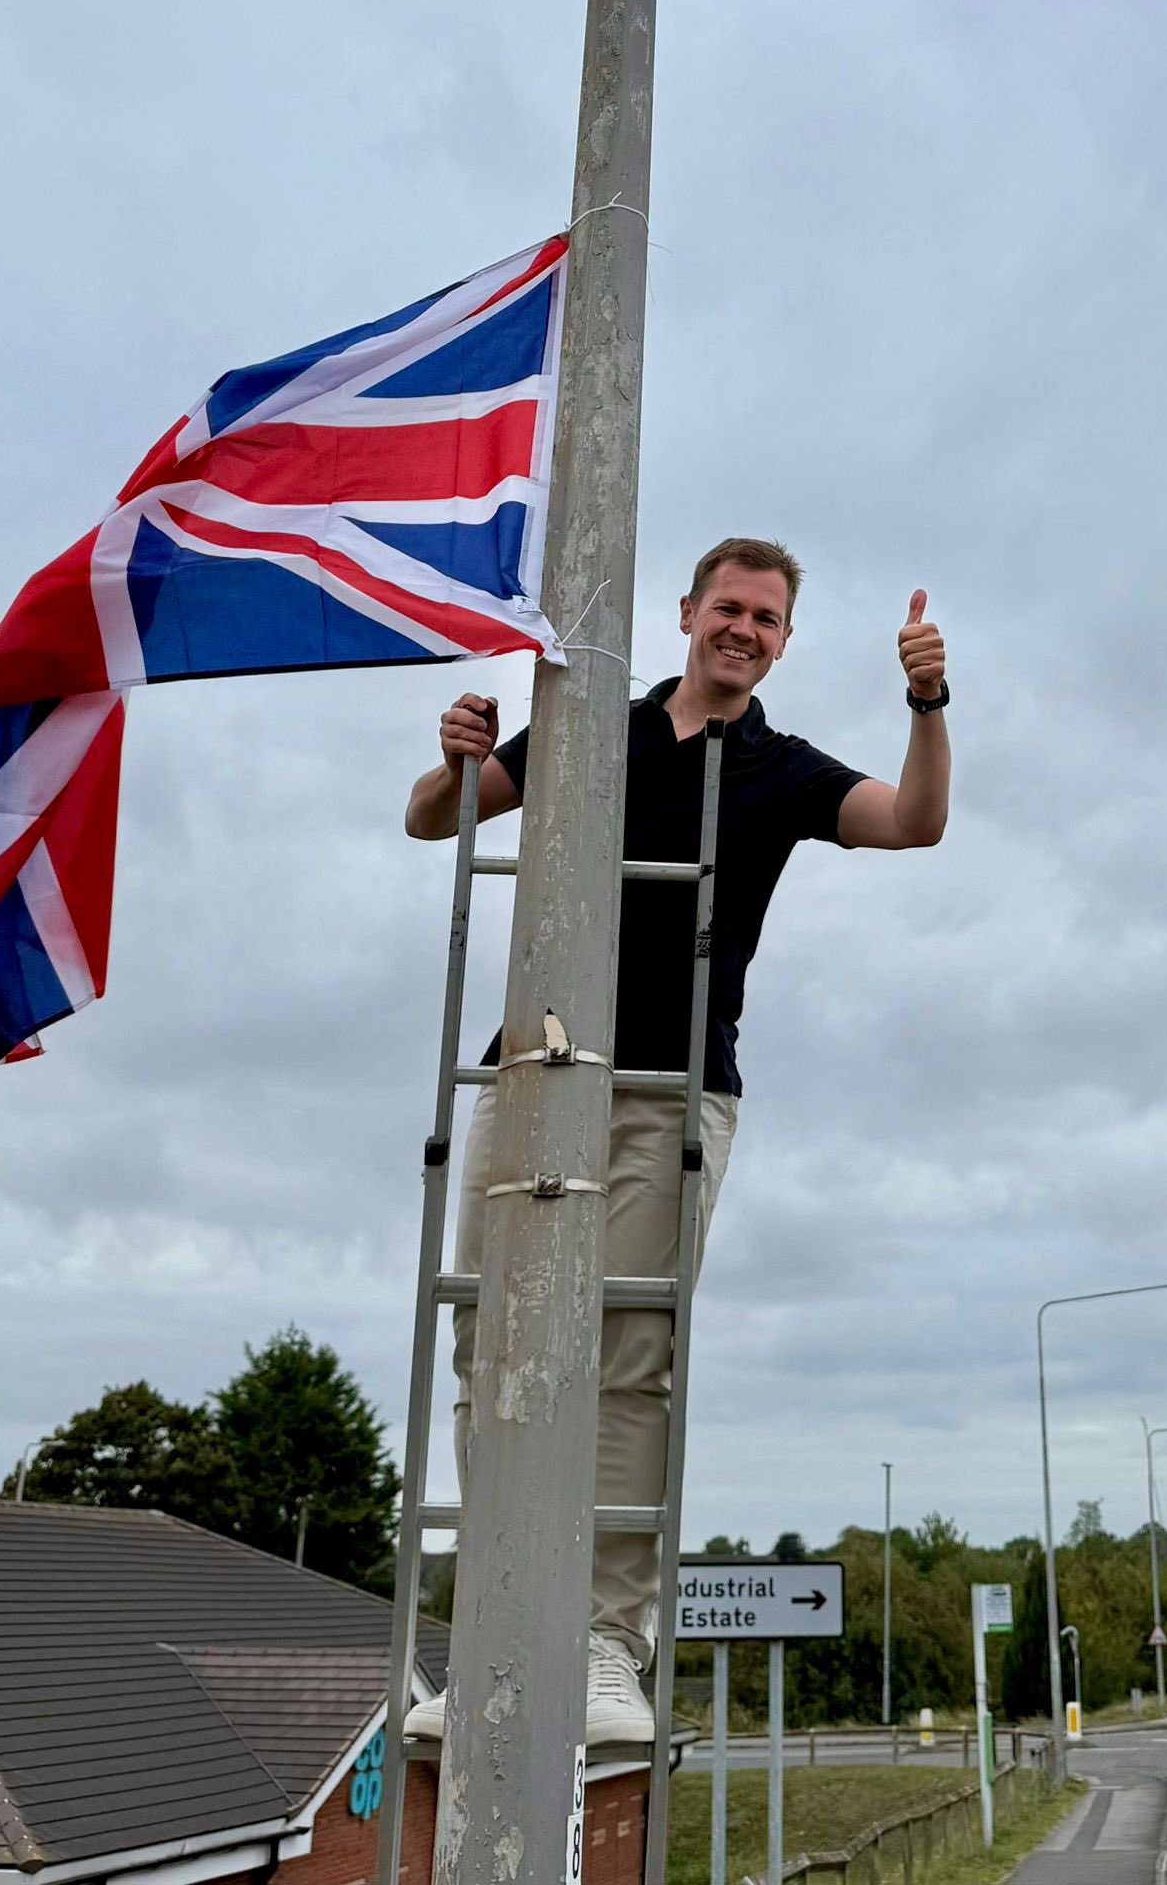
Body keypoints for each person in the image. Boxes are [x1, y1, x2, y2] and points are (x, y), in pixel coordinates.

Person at [400, 536, 951, 1744]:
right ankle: (490, 1621)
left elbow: (913, 822)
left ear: (783, 641)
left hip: (671, 1084)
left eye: (765, 616)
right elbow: (430, 819)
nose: (743, 628)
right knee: (483, 1333)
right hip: (531, 1061)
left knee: (626, 1349)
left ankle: (606, 1640)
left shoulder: (781, 767)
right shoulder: (592, 723)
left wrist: (925, 699)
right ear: (687, 612)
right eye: (728, 607)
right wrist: (453, 757)